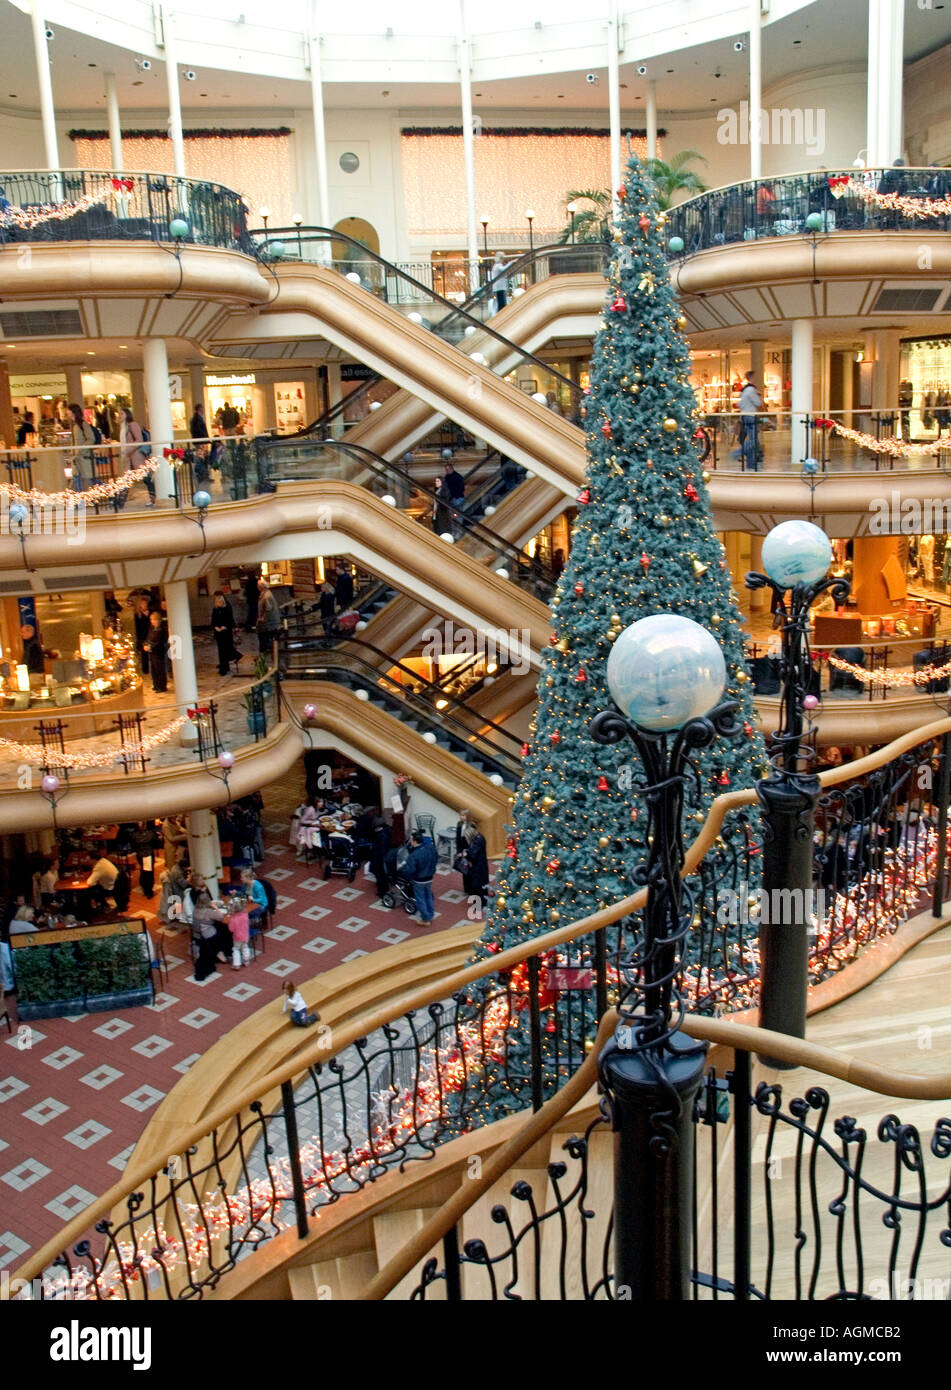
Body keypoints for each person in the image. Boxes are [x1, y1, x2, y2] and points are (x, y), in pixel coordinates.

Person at [119, 408, 155, 505]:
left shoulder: (133, 425)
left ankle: (153, 498)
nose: (120, 416)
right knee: (126, 478)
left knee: (146, 478)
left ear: (127, 414)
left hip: (136, 455)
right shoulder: (123, 427)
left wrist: (128, 449)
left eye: (122, 414)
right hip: (129, 457)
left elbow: (139, 440)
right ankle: (121, 501)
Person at [404, 829, 438, 927]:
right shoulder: (430, 848)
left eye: (411, 840)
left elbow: (410, 870)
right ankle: (431, 914)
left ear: (414, 841)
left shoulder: (413, 856)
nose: (410, 841)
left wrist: (408, 876)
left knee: (420, 899)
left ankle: (425, 919)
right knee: (428, 896)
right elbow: (436, 859)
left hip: (419, 880)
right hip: (429, 877)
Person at [67, 402, 96, 492]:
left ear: (73, 412)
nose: (67, 412)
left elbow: (91, 439)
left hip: (83, 458)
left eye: (68, 410)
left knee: (87, 482)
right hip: (77, 460)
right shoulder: (75, 425)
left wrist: (80, 451)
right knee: (78, 481)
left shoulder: (83, 424)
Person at [462, 818, 489, 914]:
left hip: (478, 868)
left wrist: (466, 854)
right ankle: (483, 903)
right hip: (481, 866)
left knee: (478, 887)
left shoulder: (477, 841)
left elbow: (473, 855)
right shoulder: (480, 837)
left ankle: (480, 905)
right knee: (482, 886)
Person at [738, 370, 763, 472]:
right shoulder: (751, 390)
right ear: (752, 378)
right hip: (750, 416)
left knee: (753, 439)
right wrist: (759, 396)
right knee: (753, 440)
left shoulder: (744, 390)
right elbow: (758, 403)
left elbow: (740, 404)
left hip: (744, 416)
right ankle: (738, 453)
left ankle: (751, 463)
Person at [211, 590, 239, 676]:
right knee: (221, 650)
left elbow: (229, 618)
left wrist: (225, 627)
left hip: (226, 632)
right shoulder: (215, 608)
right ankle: (224, 665)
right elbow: (213, 619)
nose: (217, 602)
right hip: (219, 632)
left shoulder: (227, 606)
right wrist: (215, 627)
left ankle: (225, 667)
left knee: (225, 649)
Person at [131, 821, 157, 898]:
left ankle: (147, 889)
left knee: (147, 872)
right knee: (146, 872)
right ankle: (147, 889)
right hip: (143, 855)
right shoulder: (137, 835)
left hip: (146, 855)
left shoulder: (149, 833)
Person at [256, 578, 281, 656]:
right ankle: (264, 656)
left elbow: (268, 609)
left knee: (264, 640)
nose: (257, 587)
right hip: (268, 623)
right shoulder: (265, 594)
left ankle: (263, 657)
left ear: (261, 587)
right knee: (264, 640)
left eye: (258, 586)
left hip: (268, 624)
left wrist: (263, 618)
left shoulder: (266, 596)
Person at [146, 610, 168, 692]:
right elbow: (148, 638)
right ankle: (156, 685)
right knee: (154, 669)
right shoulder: (152, 628)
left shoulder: (161, 629)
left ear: (158, 620)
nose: (152, 621)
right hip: (152, 652)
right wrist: (146, 644)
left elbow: (158, 641)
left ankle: (161, 686)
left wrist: (150, 646)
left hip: (158, 651)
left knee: (159, 669)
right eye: (151, 620)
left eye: (154, 620)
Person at [132, 596, 152, 676]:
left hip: (150, 634)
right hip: (142, 635)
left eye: (145, 603)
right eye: (143, 603)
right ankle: (145, 670)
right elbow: (137, 627)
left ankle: (152, 668)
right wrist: (139, 639)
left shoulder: (150, 612)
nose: (144, 605)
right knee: (144, 654)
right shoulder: (138, 614)